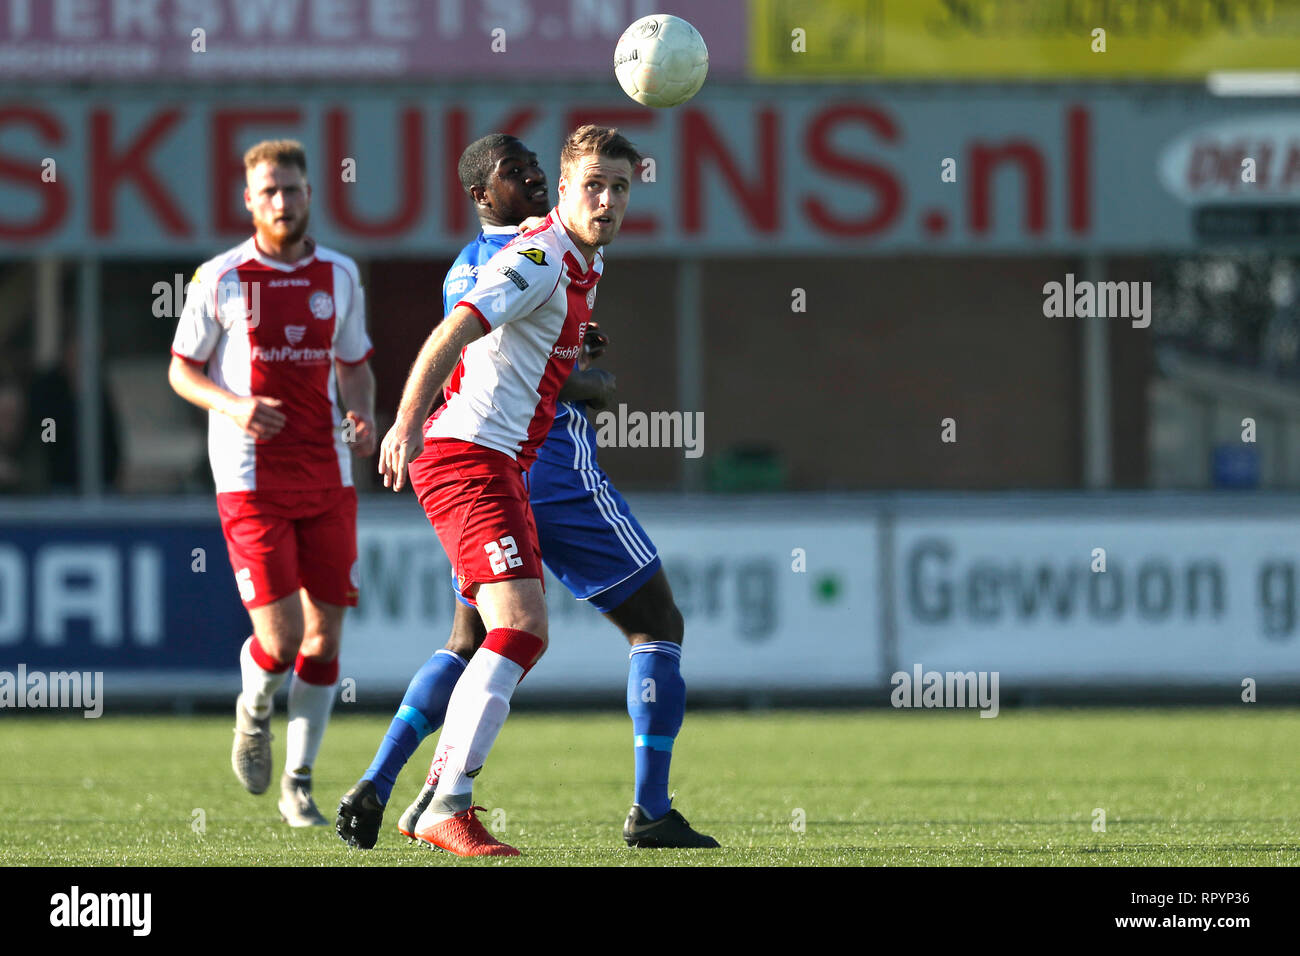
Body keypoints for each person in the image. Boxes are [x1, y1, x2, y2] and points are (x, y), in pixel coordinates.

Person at [335, 134, 716, 852]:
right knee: (605, 623)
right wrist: (406, 423)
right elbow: (456, 329)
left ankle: (404, 791)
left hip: (500, 461)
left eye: (621, 189)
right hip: (476, 458)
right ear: (563, 191)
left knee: (490, 636)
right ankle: (449, 803)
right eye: (592, 185)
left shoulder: (575, 260)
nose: (606, 201)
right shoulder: (539, 257)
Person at [167, 139, 377, 827]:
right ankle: (254, 710)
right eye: (269, 192)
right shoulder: (220, 278)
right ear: (249, 201)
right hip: (250, 479)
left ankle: (299, 781)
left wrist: (363, 412)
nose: (282, 201)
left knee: (327, 637)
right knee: (282, 638)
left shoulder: (341, 274)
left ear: (310, 193)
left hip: (327, 473)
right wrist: (234, 405)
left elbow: (354, 363)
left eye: (292, 188)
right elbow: (182, 370)